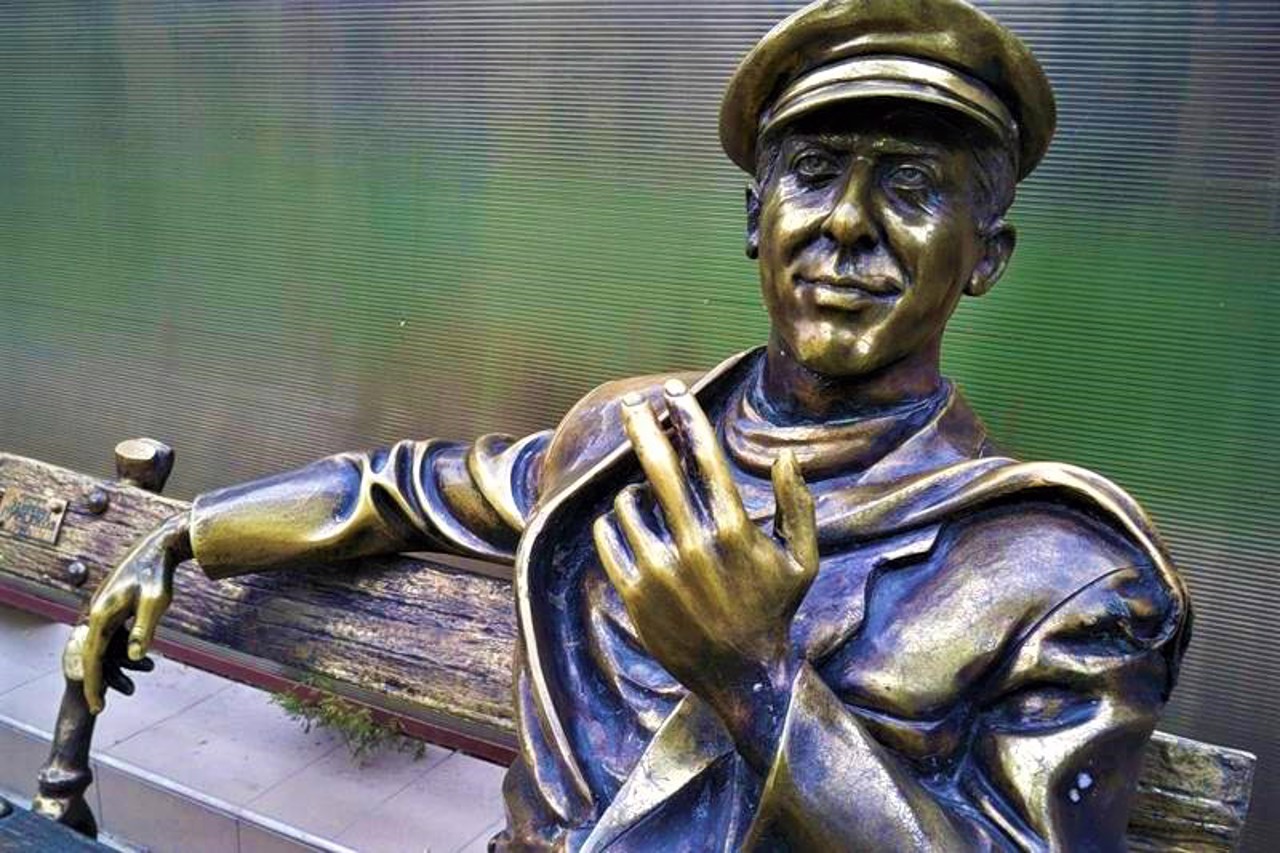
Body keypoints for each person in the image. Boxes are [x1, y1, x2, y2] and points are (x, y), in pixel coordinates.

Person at [65, 1, 1190, 849]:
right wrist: (185, 534)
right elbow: (401, 486)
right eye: (811, 175)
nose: (846, 224)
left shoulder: (1060, 575)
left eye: (909, 186)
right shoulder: (628, 437)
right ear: (756, 220)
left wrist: (753, 678)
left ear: (986, 255)